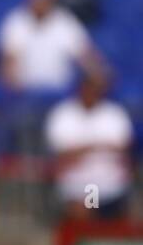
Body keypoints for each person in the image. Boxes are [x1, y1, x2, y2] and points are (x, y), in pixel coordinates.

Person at [45, 71, 134, 220]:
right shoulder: (64, 114)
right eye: (90, 88)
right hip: (81, 182)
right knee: (87, 208)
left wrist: (85, 149)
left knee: (118, 218)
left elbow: (124, 147)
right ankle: (86, 234)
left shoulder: (114, 113)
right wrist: (96, 146)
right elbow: (62, 152)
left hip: (111, 181)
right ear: (82, 88)